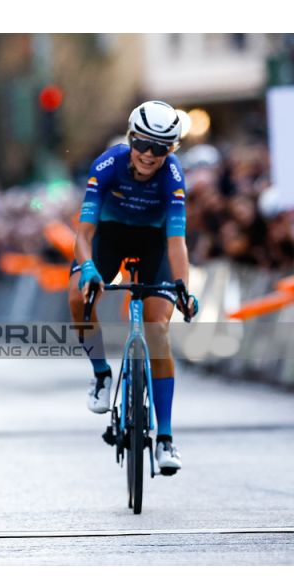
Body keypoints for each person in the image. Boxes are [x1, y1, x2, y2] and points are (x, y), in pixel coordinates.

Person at [68, 100, 198, 475]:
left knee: (158, 329)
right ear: (131, 138)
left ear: (170, 150)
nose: (148, 154)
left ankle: (166, 438)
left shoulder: (173, 177)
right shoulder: (107, 165)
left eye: (160, 148)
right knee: (79, 296)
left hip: (152, 243)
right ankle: (100, 375)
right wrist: (90, 268)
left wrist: (183, 288)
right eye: (142, 143)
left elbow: (176, 242)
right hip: (108, 238)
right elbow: (84, 232)